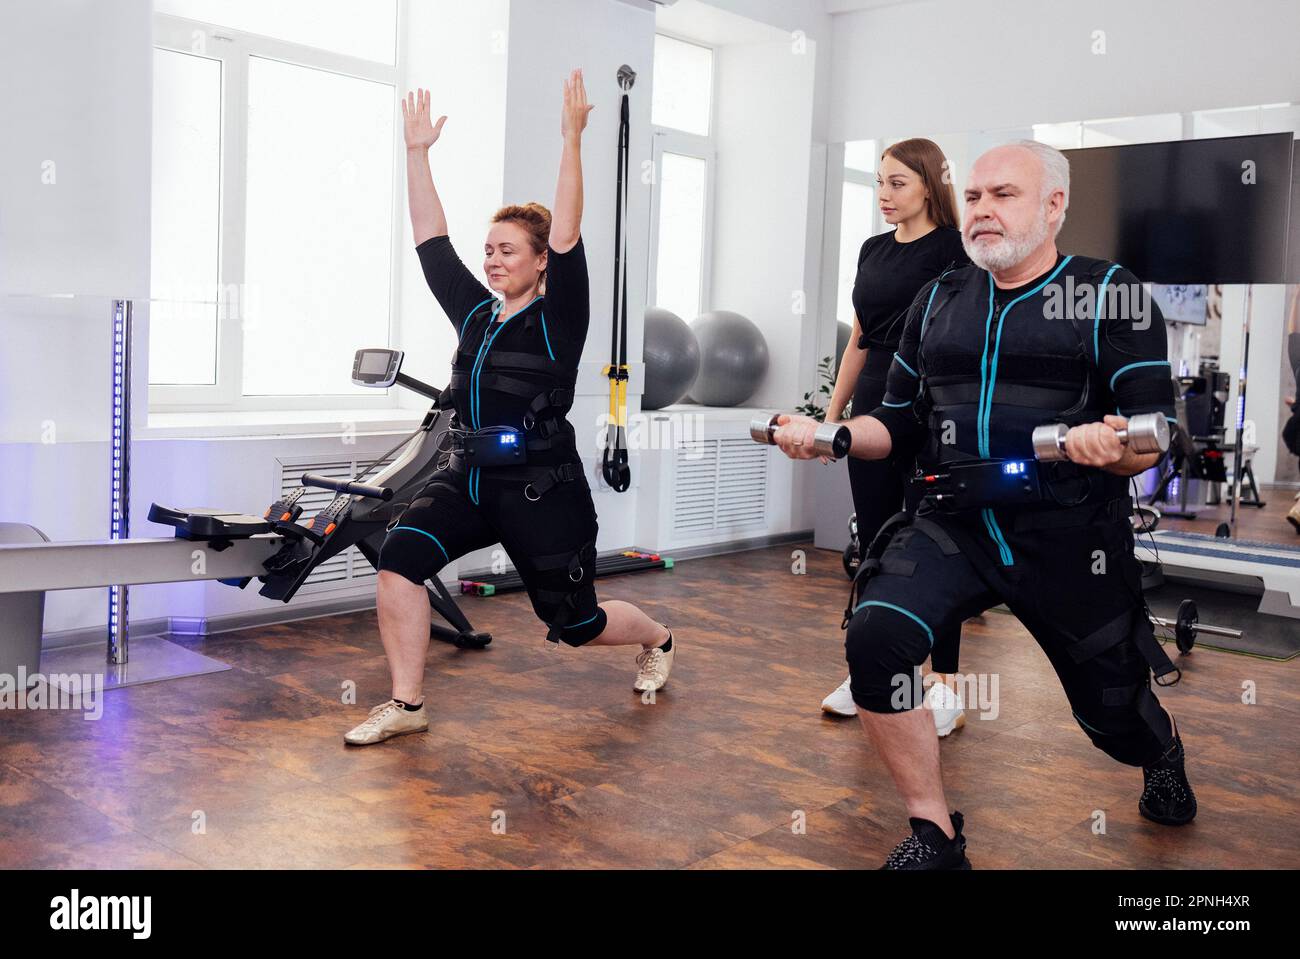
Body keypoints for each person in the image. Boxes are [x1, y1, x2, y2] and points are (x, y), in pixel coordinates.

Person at [775, 140, 1196, 869]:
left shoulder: (1108, 293)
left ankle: (1159, 751)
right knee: (877, 638)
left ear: (1053, 205)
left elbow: (1153, 435)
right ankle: (934, 831)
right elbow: (897, 421)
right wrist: (835, 436)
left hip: (1068, 532)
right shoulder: (939, 298)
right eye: (973, 197)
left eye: (1003, 194)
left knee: (1111, 710)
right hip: (954, 519)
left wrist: (1115, 445)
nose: (982, 211)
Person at [345, 72, 674, 746]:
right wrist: (416, 153)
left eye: (507, 250)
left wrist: (573, 138)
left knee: (576, 626)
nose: (493, 260)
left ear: (541, 263)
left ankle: (661, 637)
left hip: (540, 489)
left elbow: (569, 230)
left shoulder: (560, 319)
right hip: (466, 480)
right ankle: (408, 704)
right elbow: (431, 241)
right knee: (399, 562)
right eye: (489, 250)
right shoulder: (475, 314)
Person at [820, 139, 970, 736]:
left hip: (932, 405)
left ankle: (948, 684)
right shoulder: (872, 250)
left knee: (934, 543)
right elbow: (860, 338)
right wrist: (835, 418)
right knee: (877, 541)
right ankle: (868, 676)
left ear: (930, 186)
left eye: (898, 183)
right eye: (879, 183)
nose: (884, 194)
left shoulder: (956, 251)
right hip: (872, 400)